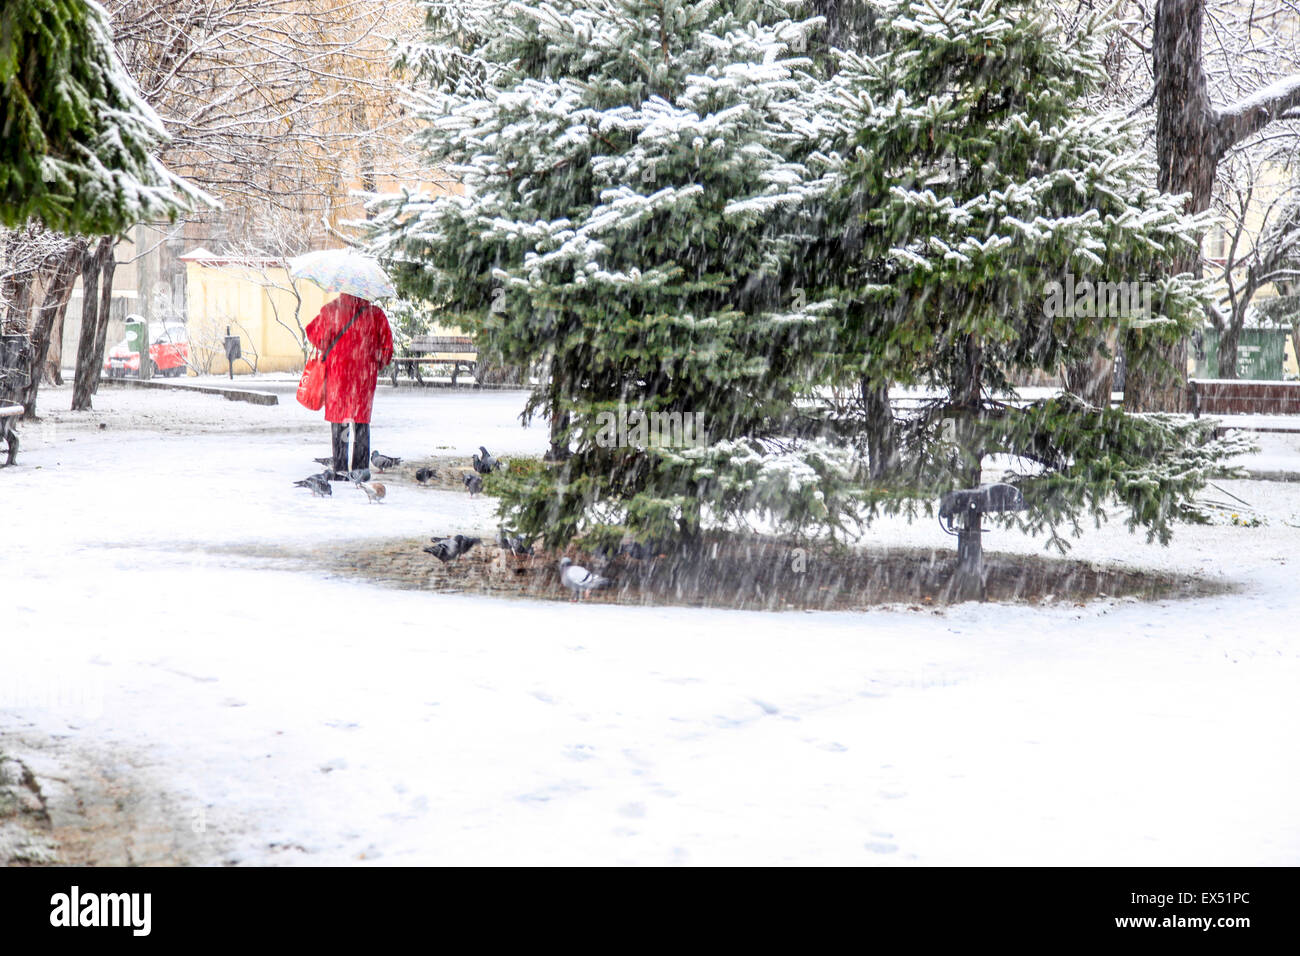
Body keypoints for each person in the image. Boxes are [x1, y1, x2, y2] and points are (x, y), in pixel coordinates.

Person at [305, 292, 393, 476]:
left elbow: (313, 334)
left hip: (338, 376)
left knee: (340, 421)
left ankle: (341, 469)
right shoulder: (375, 315)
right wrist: (374, 362)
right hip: (363, 378)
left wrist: (333, 348)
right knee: (360, 422)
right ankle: (360, 470)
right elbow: (387, 349)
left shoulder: (331, 311)